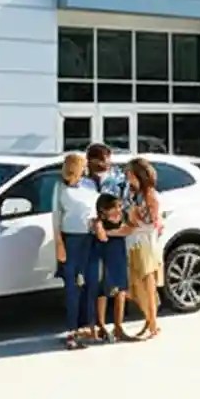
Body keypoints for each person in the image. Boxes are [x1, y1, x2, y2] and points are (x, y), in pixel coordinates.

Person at [52, 152, 100, 350]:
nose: (85, 168)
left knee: (90, 282)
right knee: (73, 285)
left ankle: (88, 327)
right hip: (71, 239)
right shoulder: (60, 187)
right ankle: (71, 330)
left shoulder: (90, 185)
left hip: (91, 237)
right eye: (82, 165)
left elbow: (95, 208)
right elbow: (56, 216)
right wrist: (59, 245)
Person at [82, 143, 128, 340]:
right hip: (93, 236)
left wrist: (118, 222)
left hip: (116, 233)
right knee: (99, 282)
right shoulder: (83, 181)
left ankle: (119, 326)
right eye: (100, 159)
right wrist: (96, 223)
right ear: (90, 160)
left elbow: (126, 203)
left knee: (119, 280)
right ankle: (100, 325)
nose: (105, 162)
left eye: (107, 158)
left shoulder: (118, 178)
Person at [125, 157, 163, 340]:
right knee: (135, 286)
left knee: (147, 284)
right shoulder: (135, 193)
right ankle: (149, 320)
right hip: (135, 242)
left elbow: (151, 221)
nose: (128, 178)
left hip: (145, 244)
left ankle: (153, 321)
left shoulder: (150, 195)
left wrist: (133, 214)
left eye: (130, 174)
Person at [91, 192, 134, 342]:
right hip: (104, 255)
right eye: (114, 208)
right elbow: (101, 236)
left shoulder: (123, 218)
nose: (118, 211)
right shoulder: (97, 222)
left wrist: (109, 232)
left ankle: (118, 326)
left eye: (119, 207)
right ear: (103, 210)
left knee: (121, 289)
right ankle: (101, 325)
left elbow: (128, 230)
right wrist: (107, 231)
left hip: (119, 254)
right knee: (103, 290)